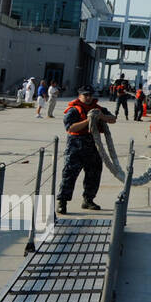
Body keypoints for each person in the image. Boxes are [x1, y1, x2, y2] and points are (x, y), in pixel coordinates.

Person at [58, 84, 116, 214]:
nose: (89, 97)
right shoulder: (74, 110)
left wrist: (101, 117)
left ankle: (88, 200)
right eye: (85, 95)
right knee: (69, 175)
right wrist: (88, 121)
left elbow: (113, 119)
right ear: (80, 96)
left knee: (94, 175)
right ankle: (62, 201)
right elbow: (70, 128)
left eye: (90, 95)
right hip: (75, 148)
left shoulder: (98, 109)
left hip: (94, 148)